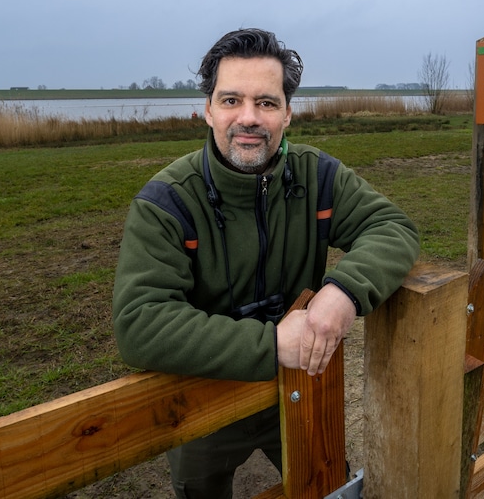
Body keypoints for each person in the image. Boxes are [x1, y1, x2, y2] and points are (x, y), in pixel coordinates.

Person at [112, 27, 420, 498]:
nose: (249, 118)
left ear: (288, 114)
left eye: (267, 103)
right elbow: (139, 323)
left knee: (325, 482)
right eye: (232, 100)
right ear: (208, 109)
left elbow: (393, 228)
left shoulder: (317, 177)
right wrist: (273, 341)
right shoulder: (167, 202)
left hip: (301, 386)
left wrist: (345, 291)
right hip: (202, 401)